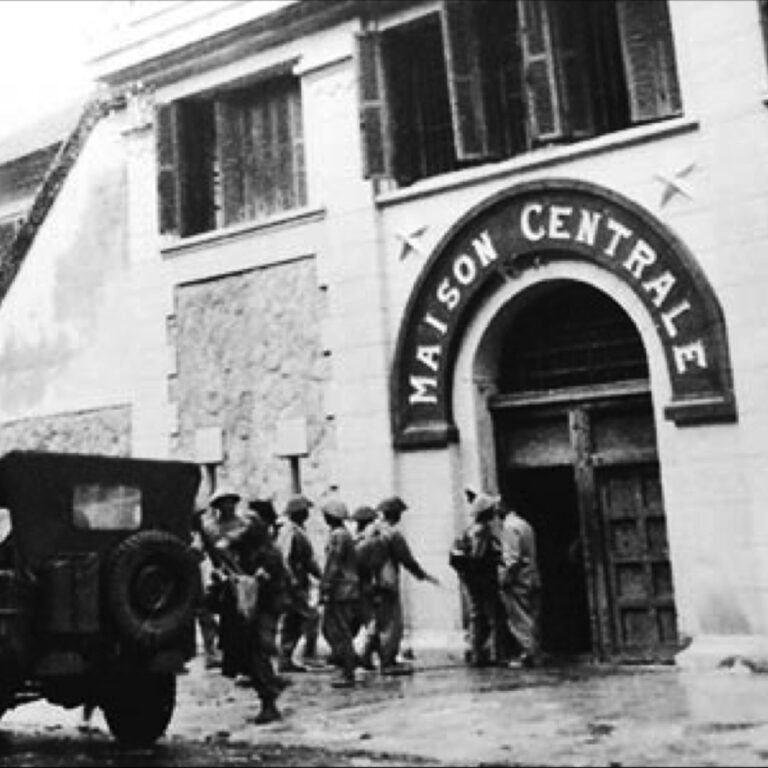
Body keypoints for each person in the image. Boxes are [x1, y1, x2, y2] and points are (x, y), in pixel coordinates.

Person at [223, 511, 290, 724]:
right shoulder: (247, 551)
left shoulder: (268, 554)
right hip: (255, 607)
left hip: (267, 606)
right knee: (252, 652)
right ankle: (268, 690)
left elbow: (267, 580)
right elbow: (224, 548)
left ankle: (269, 699)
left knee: (259, 650)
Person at [365, 496, 440, 676]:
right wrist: (423, 575)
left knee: (376, 621)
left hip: (369, 583)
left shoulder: (370, 530)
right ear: (396, 515)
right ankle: (388, 662)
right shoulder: (393, 534)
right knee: (392, 624)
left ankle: (366, 656)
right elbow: (407, 559)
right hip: (387, 583)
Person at [192, 486, 248, 669]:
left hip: (240, 576)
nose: (228, 506)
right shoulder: (210, 528)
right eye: (224, 503)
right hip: (217, 576)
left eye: (231, 502)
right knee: (206, 613)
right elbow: (202, 550)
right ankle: (211, 651)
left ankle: (236, 654)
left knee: (238, 617)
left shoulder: (242, 525)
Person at [449, 493, 502, 667]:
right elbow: (477, 556)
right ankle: (489, 653)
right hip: (480, 578)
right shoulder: (481, 530)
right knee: (486, 614)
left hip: (472, 577)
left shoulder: (471, 528)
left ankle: (478, 651)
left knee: (478, 614)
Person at [276, 493, 322, 672]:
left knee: (292, 622)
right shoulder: (290, 532)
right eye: (303, 511)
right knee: (311, 616)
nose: (306, 514)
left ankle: (285, 658)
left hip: (299, 581)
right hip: (292, 584)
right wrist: (292, 580)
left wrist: (320, 575)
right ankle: (309, 654)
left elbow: (308, 561)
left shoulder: (299, 531)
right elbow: (285, 559)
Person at [319, 498, 360, 688]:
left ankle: (348, 671)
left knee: (341, 631)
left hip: (342, 589)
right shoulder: (343, 534)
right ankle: (345, 664)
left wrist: (325, 586)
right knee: (334, 630)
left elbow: (333, 563)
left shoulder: (338, 536)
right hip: (347, 588)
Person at [496, 501, 542, 668]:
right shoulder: (525, 524)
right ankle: (534, 652)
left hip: (519, 580)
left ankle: (528, 654)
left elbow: (512, 560)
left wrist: (505, 580)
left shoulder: (509, 527)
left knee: (519, 618)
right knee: (531, 616)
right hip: (532, 576)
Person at [351, 504, 379, 670]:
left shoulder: (356, 541)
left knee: (353, 626)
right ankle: (365, 656)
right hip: (363, 589)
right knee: (372, 625)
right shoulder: (365, 543)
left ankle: (355, 656)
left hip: (357, 589)